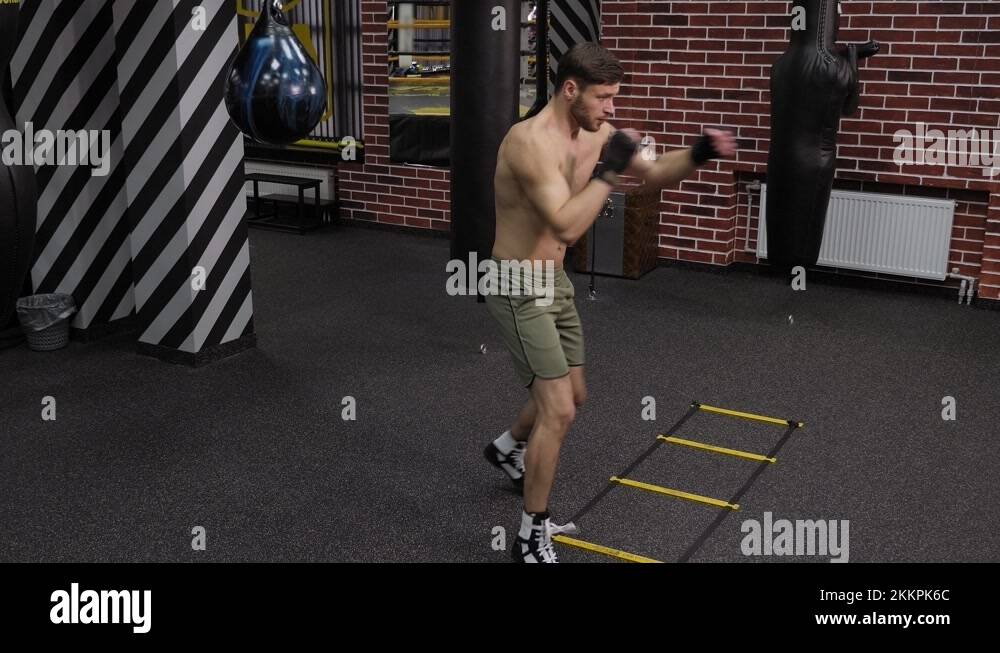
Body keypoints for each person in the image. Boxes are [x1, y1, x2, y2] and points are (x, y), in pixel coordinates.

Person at [483, 42, 737, 563]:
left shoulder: (596, 133)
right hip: (516, 283)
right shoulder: (529, 142)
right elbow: (568, 224)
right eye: (605, 98)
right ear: (570, 89)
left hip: (554, 282)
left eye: (615, 98)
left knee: (574, 395)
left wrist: (700, 151)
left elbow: (653, 173)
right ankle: (530, 537)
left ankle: (508, 448)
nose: (612, 109)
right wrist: (606, 172)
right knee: (558, 412)